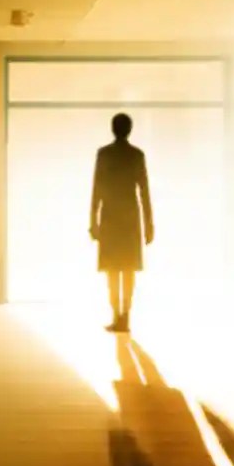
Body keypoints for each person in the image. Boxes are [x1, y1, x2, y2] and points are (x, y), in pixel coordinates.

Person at [90, 113, 154, 333]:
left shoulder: (104, 154)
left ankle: (117, 313)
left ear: (113, 129)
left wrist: (93, 221)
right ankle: (125, 314)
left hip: (110, 215)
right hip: (129, 216)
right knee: (128, 268)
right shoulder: (136, 155)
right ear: (130, 129)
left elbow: (96, 189)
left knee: (112, 269)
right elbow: (144, 191)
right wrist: (149, 223)